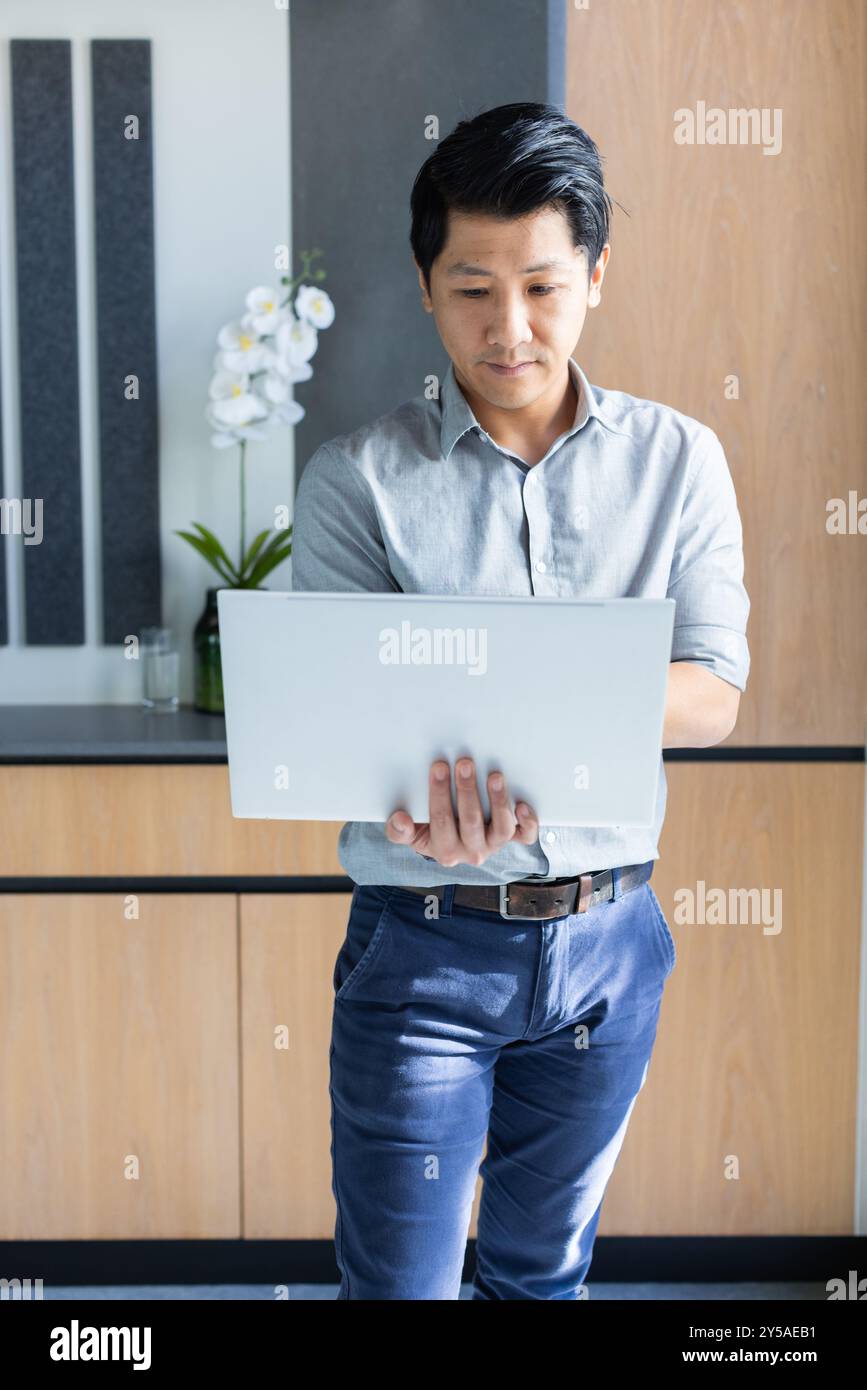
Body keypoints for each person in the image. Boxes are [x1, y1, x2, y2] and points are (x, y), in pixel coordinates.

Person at [291, 101, 750, 1300]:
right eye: (473, 288)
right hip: (425, 952)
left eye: (543, 286)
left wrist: (538, 710)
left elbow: (712, 694)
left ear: (597, 274)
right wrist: (408, 812)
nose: (509, 327)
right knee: (402, 1291)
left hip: (611, 948)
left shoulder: (681, 461)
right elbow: (346, 737)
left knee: (543, 1280)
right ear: (426, 283)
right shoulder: (356, 482)